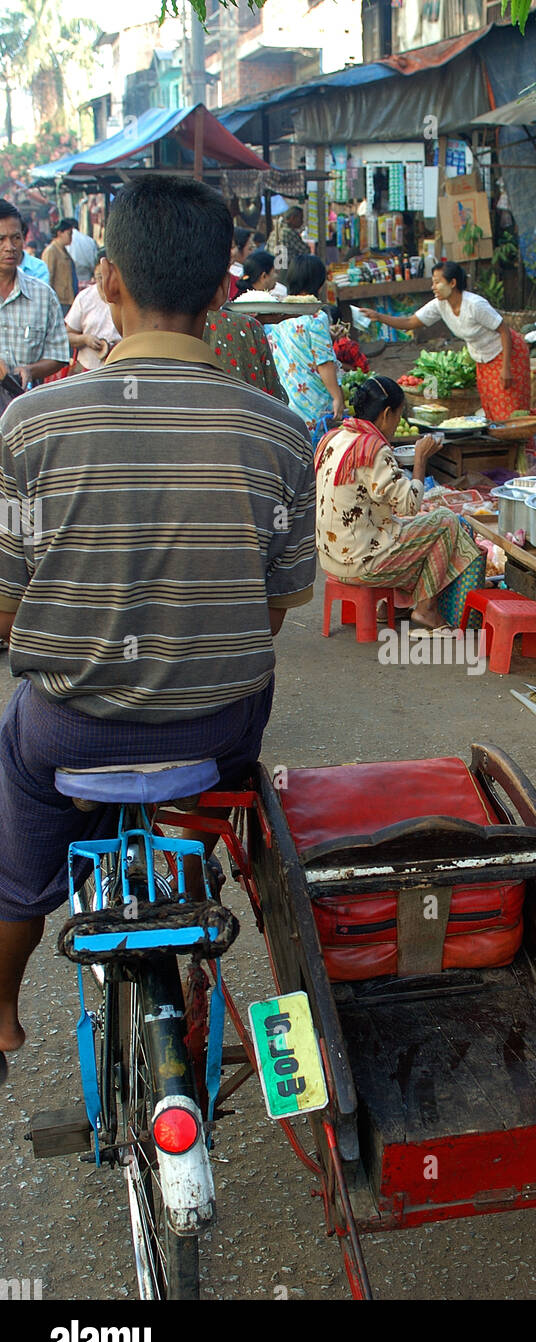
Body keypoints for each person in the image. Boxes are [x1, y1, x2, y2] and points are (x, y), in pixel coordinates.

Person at [0, 175, 315, 1077]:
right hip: (220, 728)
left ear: (109, 286)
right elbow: (274, 608)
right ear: (223, 290)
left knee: (18, 805)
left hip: (70, 726)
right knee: (222, 771)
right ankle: (190, 871)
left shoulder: (32, 426)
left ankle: (3, 1014)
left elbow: (6, 597)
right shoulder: (283, 434)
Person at [315, 375, 480, 628]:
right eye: (398, 416)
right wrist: (421, 459)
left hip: (330, 559)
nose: (397, 423)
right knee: (447, 521)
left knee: (398, 525)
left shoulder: (335, 438)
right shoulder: (372, 448)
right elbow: (410, 504)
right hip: (362, 564)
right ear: (386, 413)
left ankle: (394, 605)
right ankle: (425, 608)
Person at [363, 261, 530, 422]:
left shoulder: (475, 304)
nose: (433, 287)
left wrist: (506, 368)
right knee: (491, 405)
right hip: (483, 357)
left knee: (511, 407)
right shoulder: (439, 305)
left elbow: (504, 330)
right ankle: (502, 448)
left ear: (452, 283)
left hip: (508, 351)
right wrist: (378, 317)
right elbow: (410, 322)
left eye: (437, 282)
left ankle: (524, 447)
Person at [265, 253, 343, 434]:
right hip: (314, 402)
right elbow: (324, 362)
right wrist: (337, 396)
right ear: (320, 284)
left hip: (287, 401)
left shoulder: (279, 313)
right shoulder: (316, 316)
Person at [0, 198, 69, 392]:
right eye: (1, 239)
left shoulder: (43, 295)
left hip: (26, 409)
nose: (10, 247)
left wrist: (30, 370)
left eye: (16, 238)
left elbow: (59, 355)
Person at [203, 305, 289, 403]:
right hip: (249, 413)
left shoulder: (245, 325)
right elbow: (277, 398)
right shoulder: (247, 325)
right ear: (222, 292)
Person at [64, 249, 121, 371]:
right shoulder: (85, 298)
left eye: (108, 276)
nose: (103, 282)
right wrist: (85, 339)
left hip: (117, 369)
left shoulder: (127, 298)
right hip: (87, 368)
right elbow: (67, 335)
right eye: (99, 277)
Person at [41, 218, 78, 311]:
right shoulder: (51, 251)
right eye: (69, 234)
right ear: (59, 233)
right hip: (59, 301)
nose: (71, 238)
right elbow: (48, 278)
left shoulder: (64, 251)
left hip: (68, 299)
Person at [69, 220, 99, 288]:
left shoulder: (65, 241)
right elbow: (94, 262)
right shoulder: (89, 240)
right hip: (87, 281)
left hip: (70, 283)